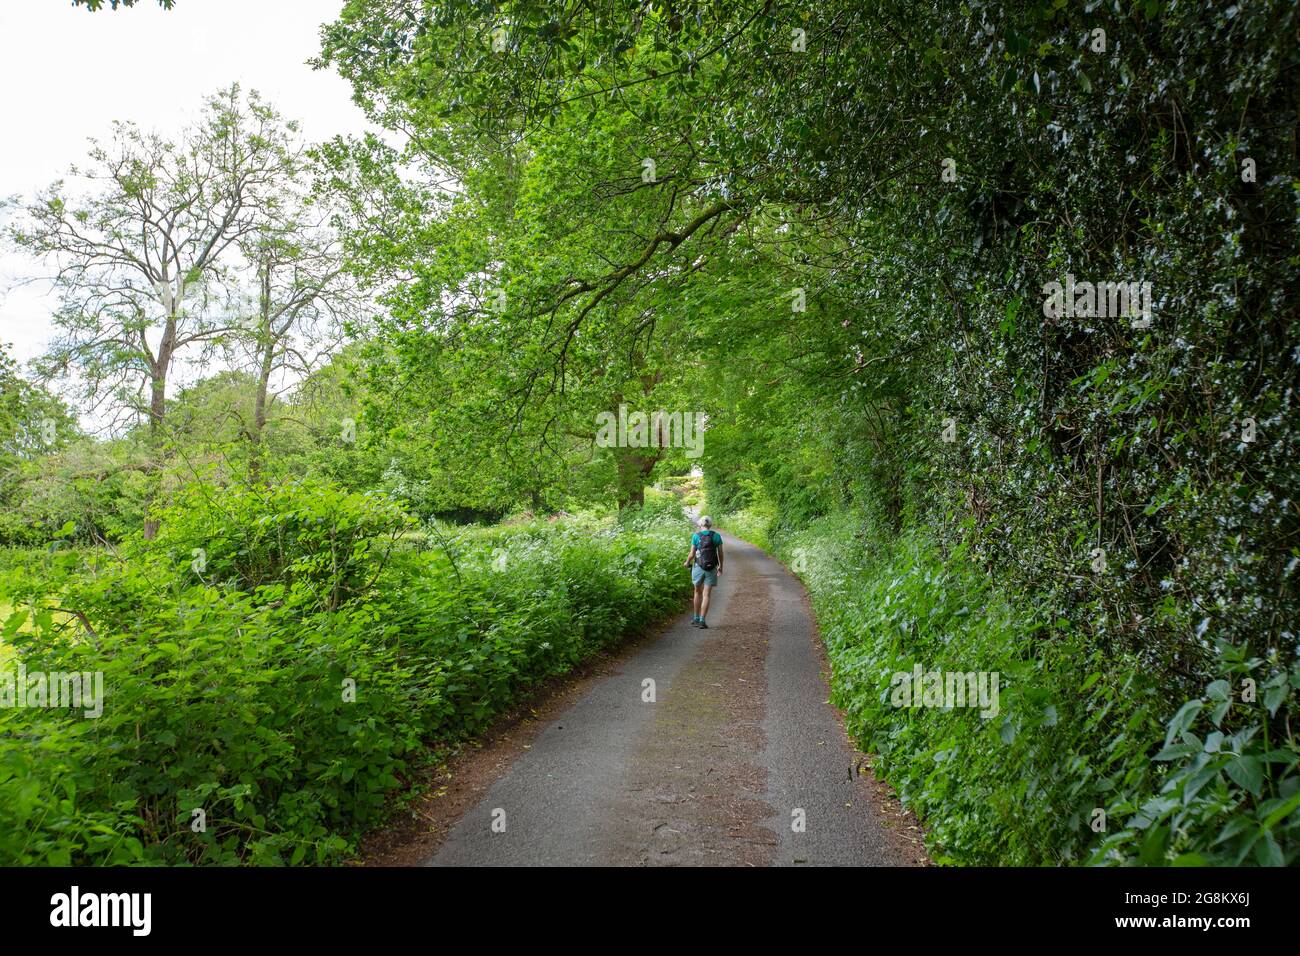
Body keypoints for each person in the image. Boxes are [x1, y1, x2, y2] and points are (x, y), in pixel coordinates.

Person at [683, 515, 723, 628]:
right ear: (710, 525)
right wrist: (720, 566)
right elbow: (720, 553)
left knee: (697, 592)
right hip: (711, 568)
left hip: (698, 567)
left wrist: (686, 562)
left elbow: (692, 553)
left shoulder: (696, 536)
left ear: (701, 525)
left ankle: (695, 618)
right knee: (706, 595)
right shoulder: (716, 536)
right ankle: (702, 620)